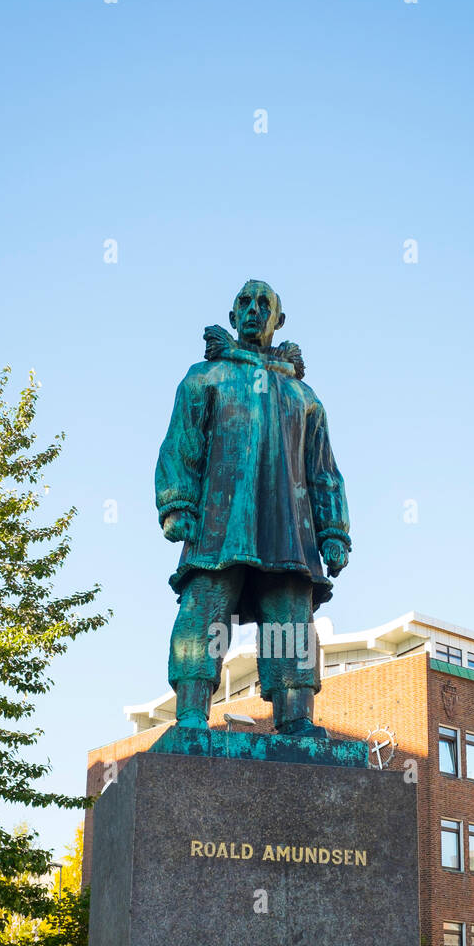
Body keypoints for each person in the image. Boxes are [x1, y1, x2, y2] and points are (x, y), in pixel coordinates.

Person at [155, 279, 351, 738]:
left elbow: (323, 469)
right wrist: (176, 502)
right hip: (219, 525)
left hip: (289, 530)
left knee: (290, 618)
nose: (253, 310)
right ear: (232, 316)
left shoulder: (304, 398)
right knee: (204, 608)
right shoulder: (204, 378)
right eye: (244, 302)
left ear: (278, 321)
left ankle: (295, 714)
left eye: (264, 304)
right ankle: (190, 715)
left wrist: (333, 530)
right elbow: (180, 446)